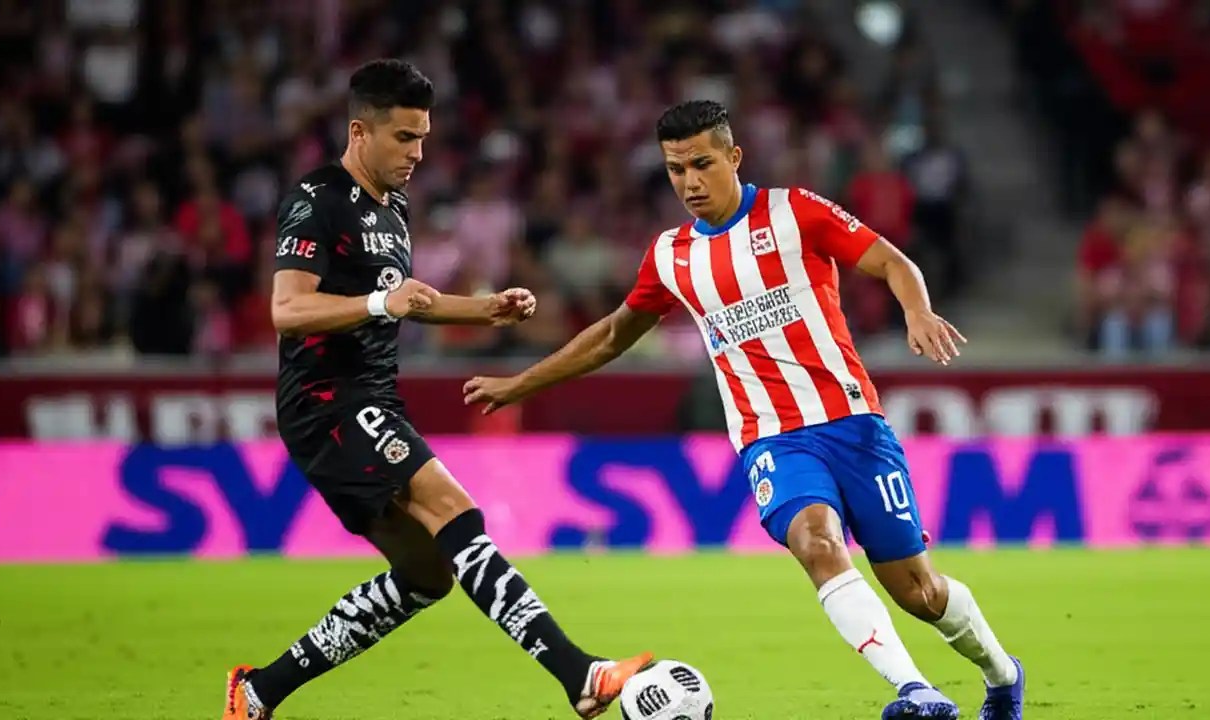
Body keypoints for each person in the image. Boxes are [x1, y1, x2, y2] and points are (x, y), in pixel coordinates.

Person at [463, 100, 1025, 720]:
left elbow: (892, 260)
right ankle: (917, 693)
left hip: (853, 423)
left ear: (734, 157)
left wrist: (915, 309)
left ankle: (1003, 676)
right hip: (770, 438)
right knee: (817, 541)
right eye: (676, 170)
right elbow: (612, 334)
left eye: (701, 164)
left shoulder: (796, 212)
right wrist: (521, 384)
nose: (690, 182)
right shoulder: (672, 254)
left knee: (919, 593)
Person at [223, 59, 650, 720]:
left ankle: (257, 693)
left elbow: (407, 302)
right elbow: (289, 308)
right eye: (404, 138)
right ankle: (579, 675)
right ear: (359, 132)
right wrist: (379, 301)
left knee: (429, 576)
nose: (418, 153)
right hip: (328, 401)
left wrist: (486, 310)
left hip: (370, 400)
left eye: (423, 138)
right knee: (456, 511)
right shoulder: (317, 199)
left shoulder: (393, 210)